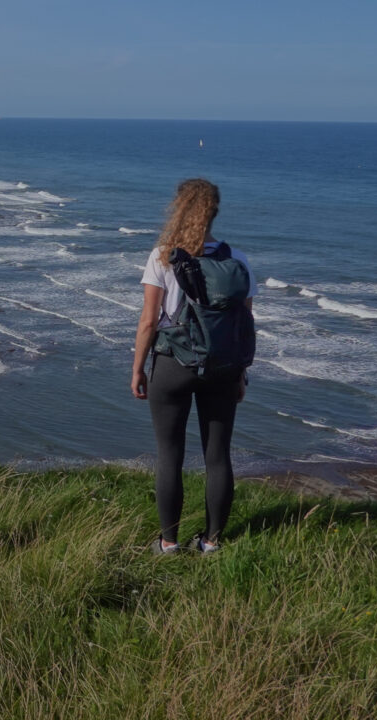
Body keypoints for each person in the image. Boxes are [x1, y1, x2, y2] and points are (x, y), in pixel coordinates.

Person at [129, 178, 256, 554]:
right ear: (214, 213)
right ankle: (211, 543)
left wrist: (137, 369)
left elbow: (149, 321)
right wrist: (241, 372)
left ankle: (168, 543)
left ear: (178, 208)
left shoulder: (163, 257)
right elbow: (244, 325)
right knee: (217, 456)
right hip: (223, 367)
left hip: (173, 365)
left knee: (170, 454)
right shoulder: (237, 261)